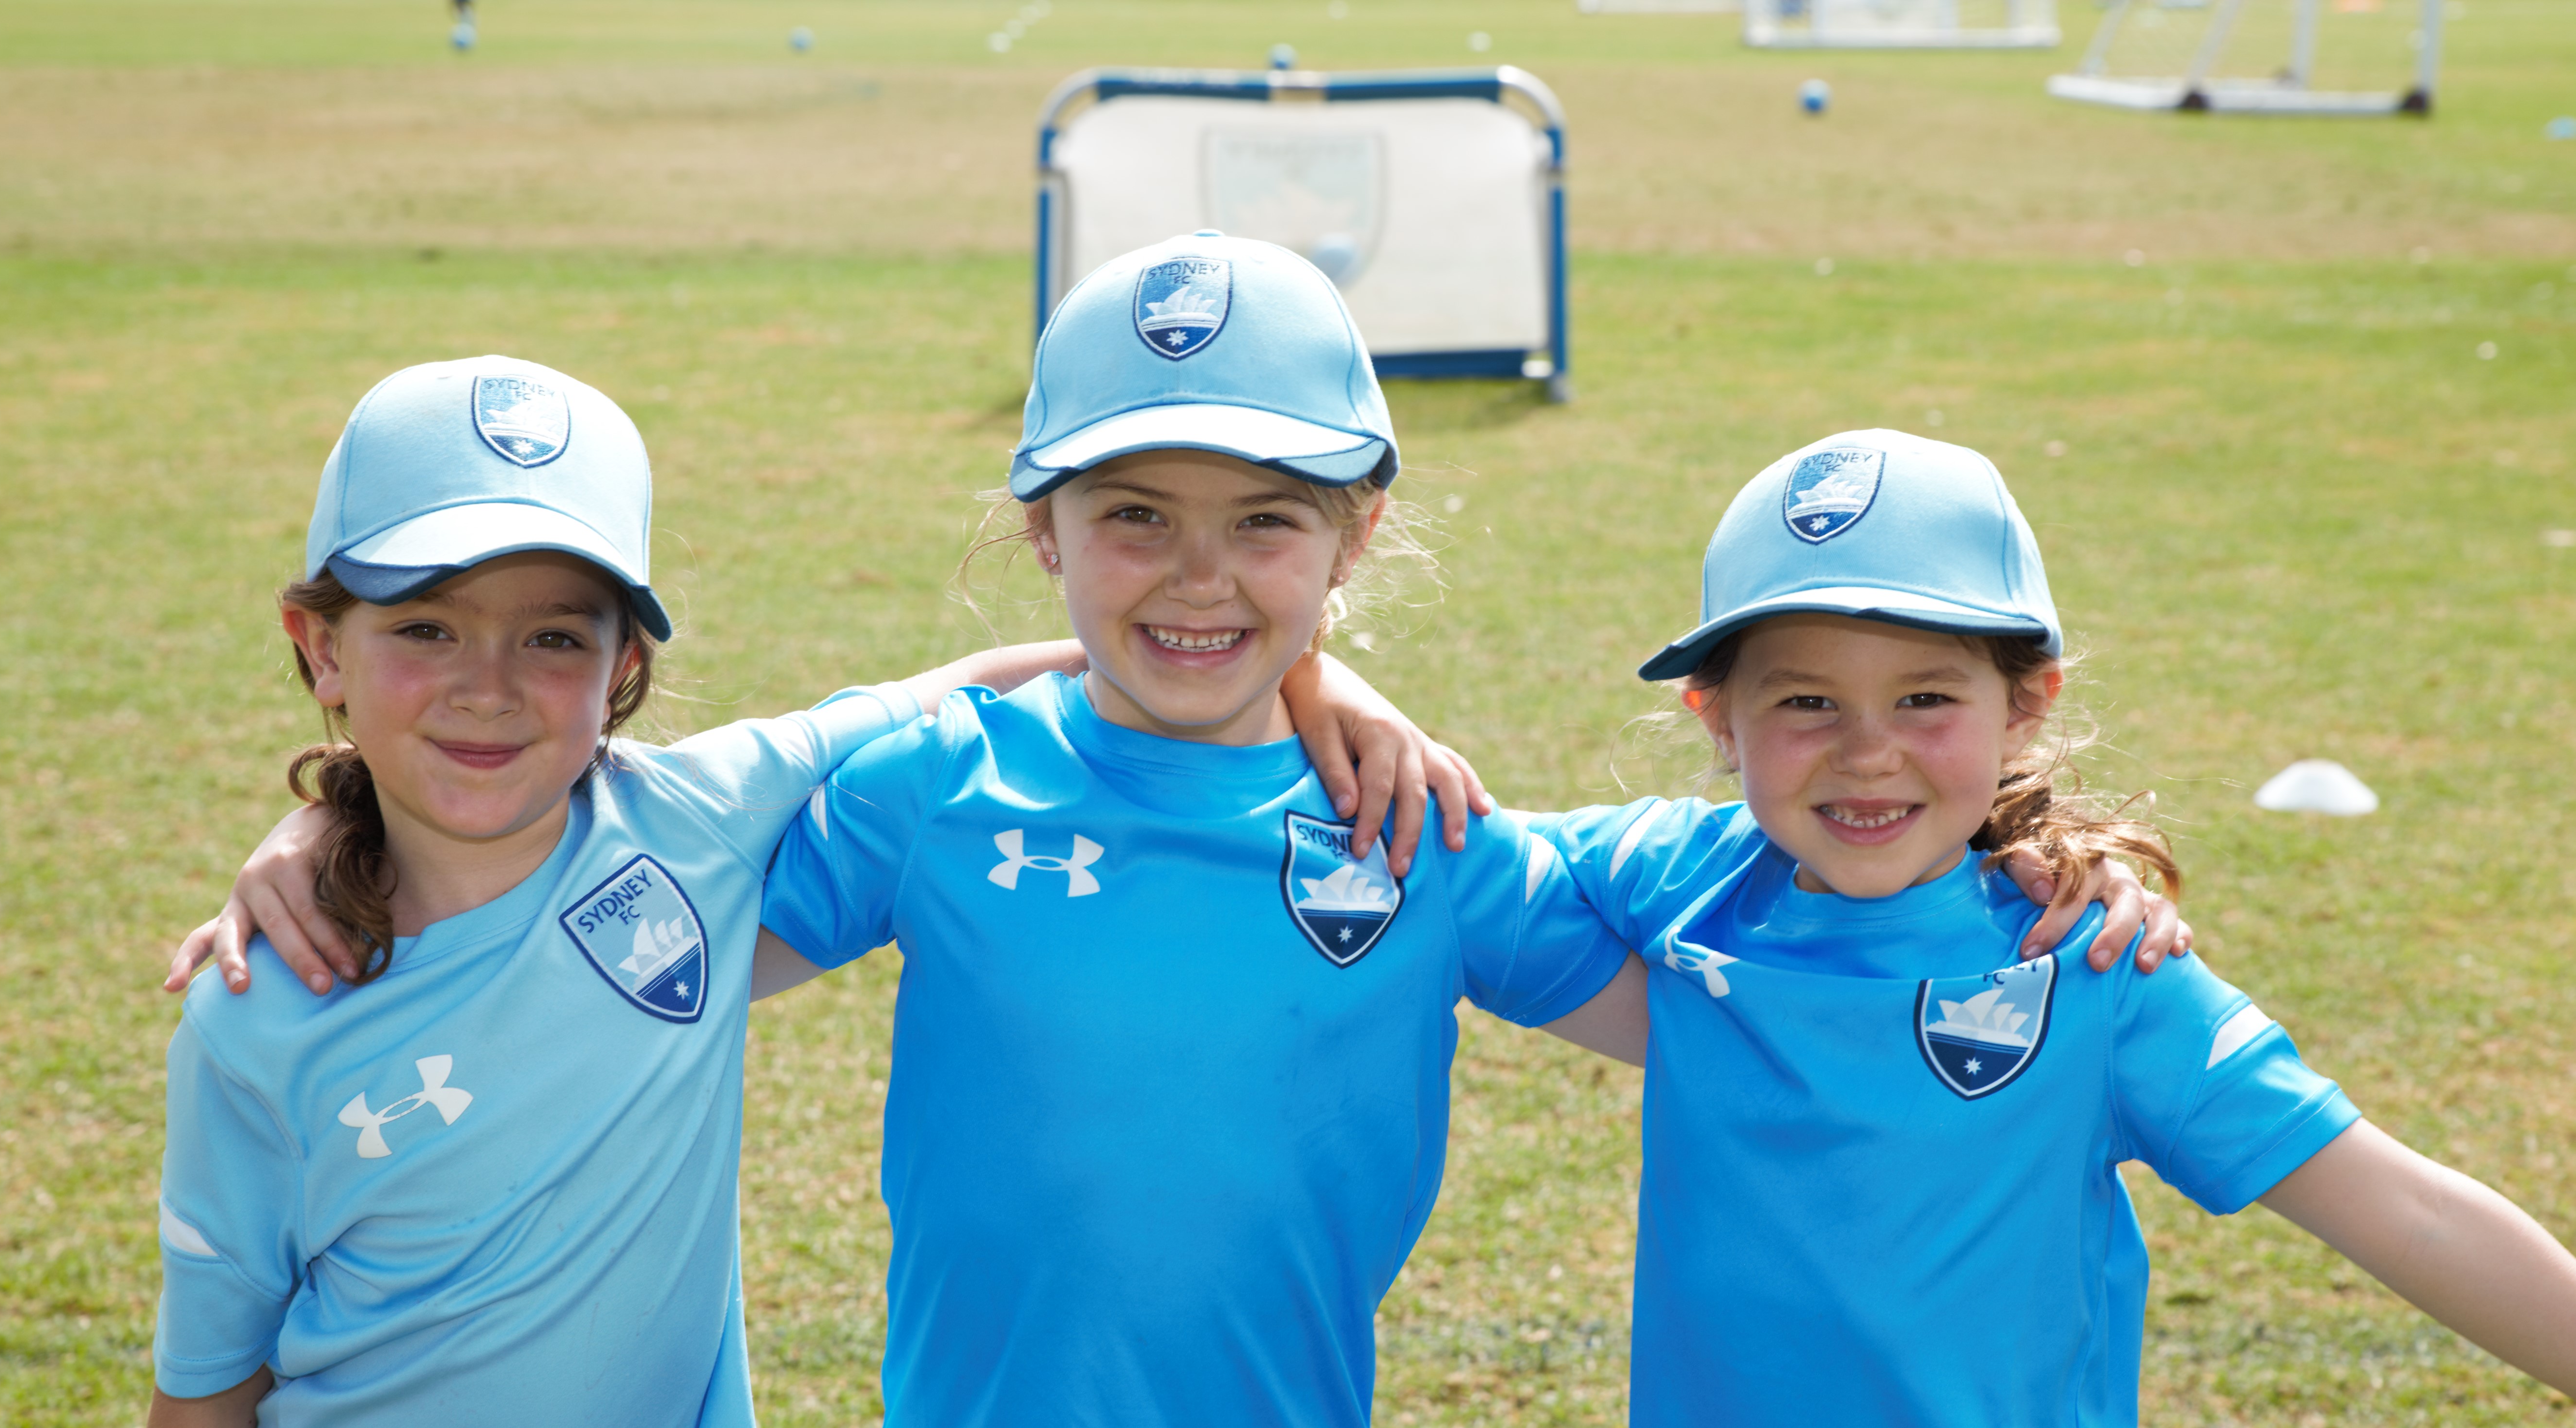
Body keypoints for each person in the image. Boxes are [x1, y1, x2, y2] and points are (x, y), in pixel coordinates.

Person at [170, 241, 2178, 1426]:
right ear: (1044, 529)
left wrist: (2016, 871)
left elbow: (1748, 958)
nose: (1197, 575)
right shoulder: (923, 789)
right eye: (1136, 516)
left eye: (1267, 523)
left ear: (1361, 534)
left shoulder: (1415, 826)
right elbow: (587, 900)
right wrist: (330, 849)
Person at [145, 353, 1458, 1428]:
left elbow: (962, 681)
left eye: (553, 634)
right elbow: (205, 1382)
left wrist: (1309, 671)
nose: (488, 682)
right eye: (424, 625)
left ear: (624, 669)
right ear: (321, 646)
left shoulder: (699, 820)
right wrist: (324, 824)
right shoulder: (261, 1001)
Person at [1529, 429, 2576, 1425]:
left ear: (2025, 702)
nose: (1867, 752)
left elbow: (2409, 1210)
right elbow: (1439, 835)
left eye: (1926, 697)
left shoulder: (2100, 963)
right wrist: (1353, 691)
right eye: (1807, 701)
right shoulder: (1673, 877)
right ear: (1717, 714)